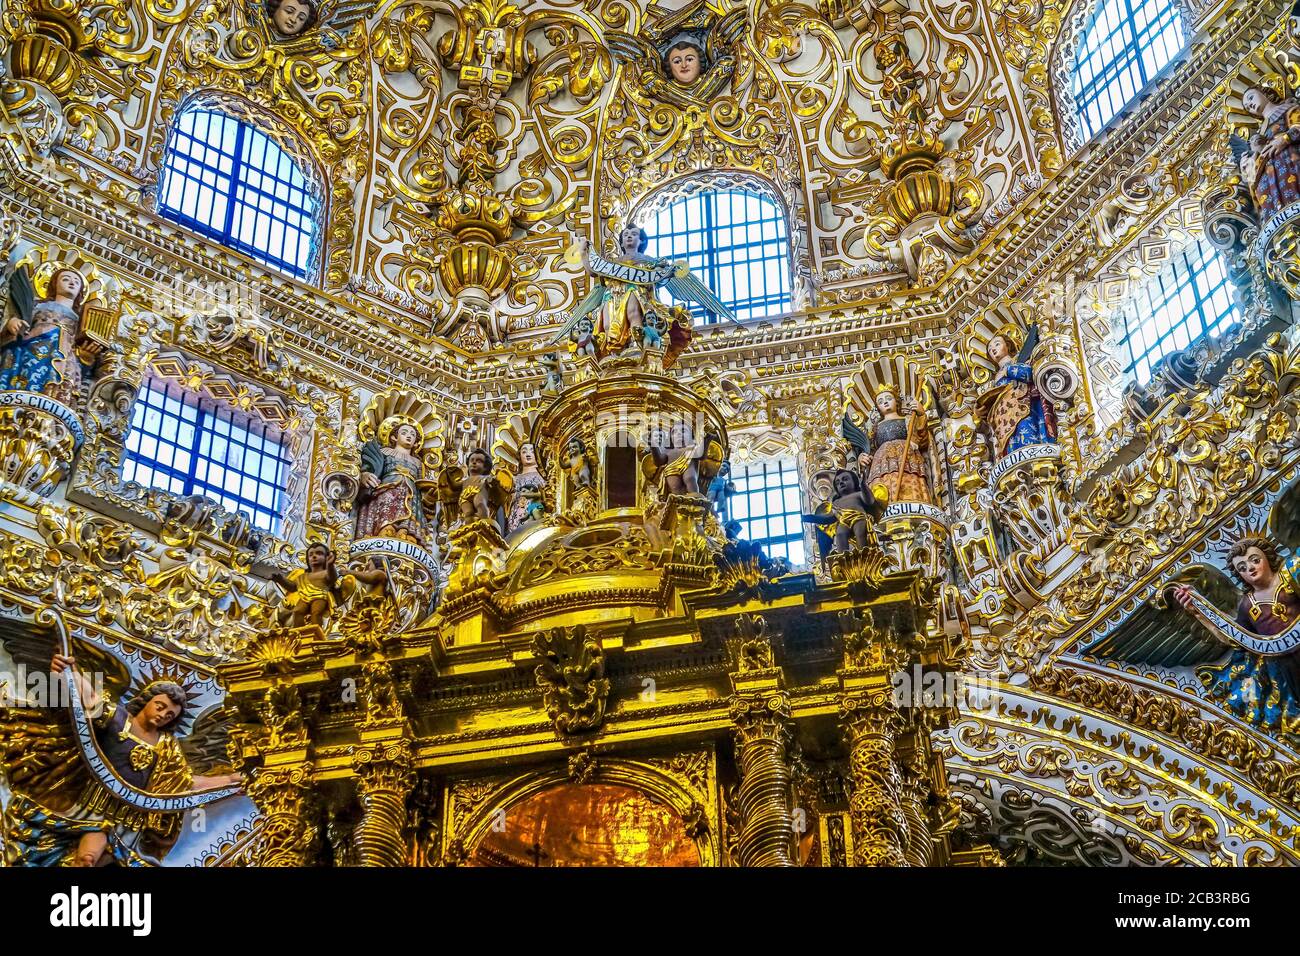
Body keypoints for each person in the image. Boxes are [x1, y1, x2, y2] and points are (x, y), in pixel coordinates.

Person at [34, 656, 239, 866]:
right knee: (87, 858)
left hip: (130, 820)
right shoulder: (119, 719)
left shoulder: (166, 746)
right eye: (160, 706)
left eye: (170, 715)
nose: (163, 715)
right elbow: (91, 700)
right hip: (96, 807)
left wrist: (229, 780)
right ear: (146, 700)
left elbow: (185, 783)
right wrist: (70, 671)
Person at [1174, 536, 1300, 735]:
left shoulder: (1288, 577)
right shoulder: (1248, 605)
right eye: (1242, 568)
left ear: (1268, 558)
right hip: (1286, 664)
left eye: (1255, 560)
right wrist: (1199, 611)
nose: (1250, 568)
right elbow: (1236, 639)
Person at [0, 266, 99, 405]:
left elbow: (81, 355)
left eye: (77, 282)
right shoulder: (38, 306)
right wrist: (13, 323)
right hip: (32, 351)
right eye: (65, 279)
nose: (72, 283)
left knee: (56, 391)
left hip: (65, 361)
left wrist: (85, 358)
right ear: (54, 285)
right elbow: (20, 321)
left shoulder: (81, 321)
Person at [975, 325, 1056, 460]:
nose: (993, 349)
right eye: (990, 349)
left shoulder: (1018, 360)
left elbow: (1030, 374)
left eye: (997, 344)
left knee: (1025, 434)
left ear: (1008, 345)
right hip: (1003, 418)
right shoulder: (993, 381)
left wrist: (1009, 370)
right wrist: (980, 410)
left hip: (1021, 406)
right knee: (1010, 445)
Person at [357, 416, 430, 547]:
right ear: (394, 437)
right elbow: (370, 467)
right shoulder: (384, 452)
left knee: (410, 516)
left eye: (412, 434)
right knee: (386, 510)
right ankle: (384, 531)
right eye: (404, 432)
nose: (409, 436)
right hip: (387, 488)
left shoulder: (418, 463)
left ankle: (406, 535)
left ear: (416, 442)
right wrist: (365, 475)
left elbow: (422, 485)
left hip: (411, 494)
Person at [1242, 85, 1300, 221]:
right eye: (1247, 106)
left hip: (1290, 161)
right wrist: (1250, 163)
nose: (1250, 104)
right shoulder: (1260, 134)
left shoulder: (1288, 109)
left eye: (1251, 97)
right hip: (1270, 178)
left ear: (1264, 93)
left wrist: (1286, 138)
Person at [865, 387, 932, 504]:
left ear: (897, 401)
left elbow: (923, 439)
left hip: (906, 457)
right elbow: (870, 449)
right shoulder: (874, 428)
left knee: (908, 483)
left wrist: (921, 415)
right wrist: (863, 457)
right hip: (882, 462)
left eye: (888, 398)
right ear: (878, 408)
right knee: (883, 485)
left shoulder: (908, 420)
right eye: (880, 402)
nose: (885, 402)